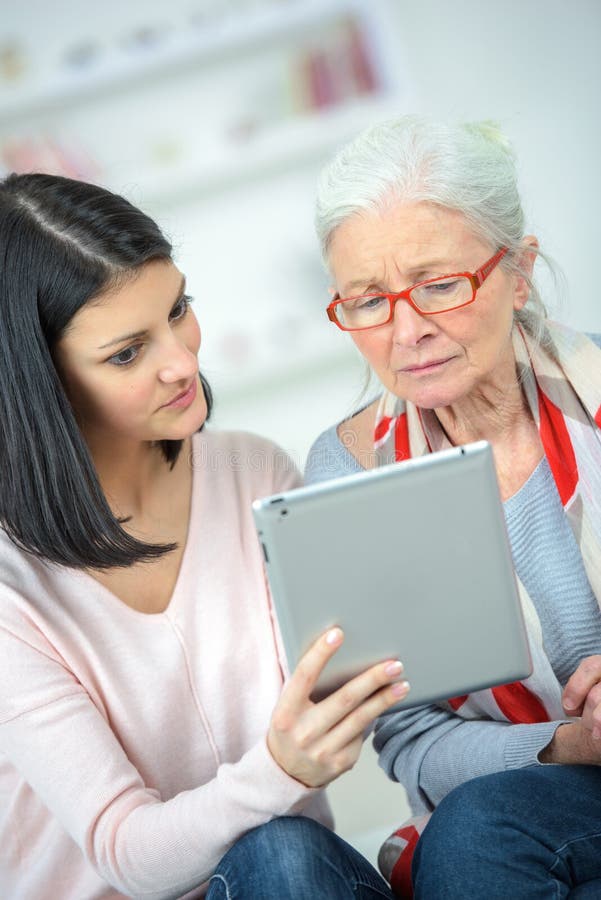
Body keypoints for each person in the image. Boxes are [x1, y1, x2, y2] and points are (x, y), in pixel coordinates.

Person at [0, 172, 410, 899]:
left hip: (286, 881)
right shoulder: (11, 587)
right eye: (127, 353)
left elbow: (359, 679)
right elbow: (127, 854)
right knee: (279, 850)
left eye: (178, 310)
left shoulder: (254, 473)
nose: (183, 361)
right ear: (43, 385)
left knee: (290, 852)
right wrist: (279, 773)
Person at [305, 115, 601, 899]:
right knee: (475, 830)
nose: (407, 332)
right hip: (540, 802)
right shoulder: (345, 472)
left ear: (520, 270)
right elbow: (407, 732)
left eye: (438, 285)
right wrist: (572, 741)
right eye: (366, 301)